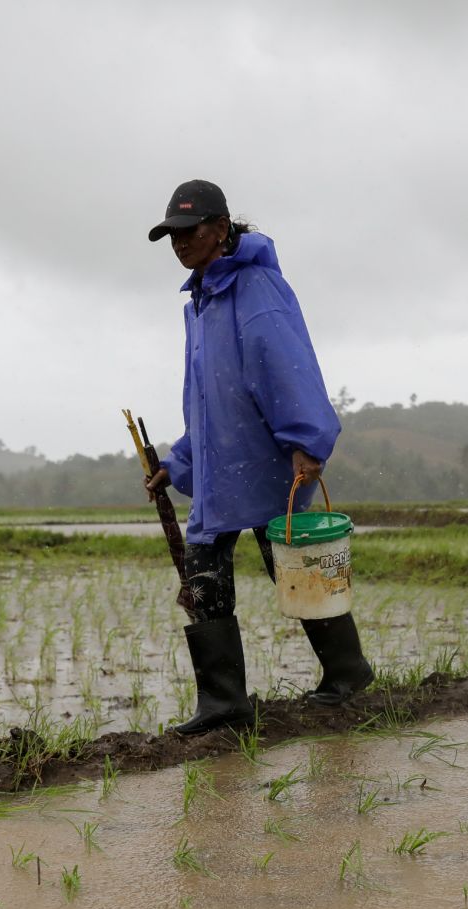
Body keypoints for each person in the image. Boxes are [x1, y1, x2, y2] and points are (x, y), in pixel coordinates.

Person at [144, 179, 374, 734]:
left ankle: (348, 677)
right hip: (220, 467)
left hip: (267, 461)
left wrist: (305, 441)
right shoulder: (198, 302)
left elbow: (286, 365)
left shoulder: (255, 289)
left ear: (220, 230)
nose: (178, 243)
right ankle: (224, 703)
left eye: (188, 231)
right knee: (203, 576)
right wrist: (178, 463)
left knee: (294, 568)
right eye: (170, 234)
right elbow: (204, 398)